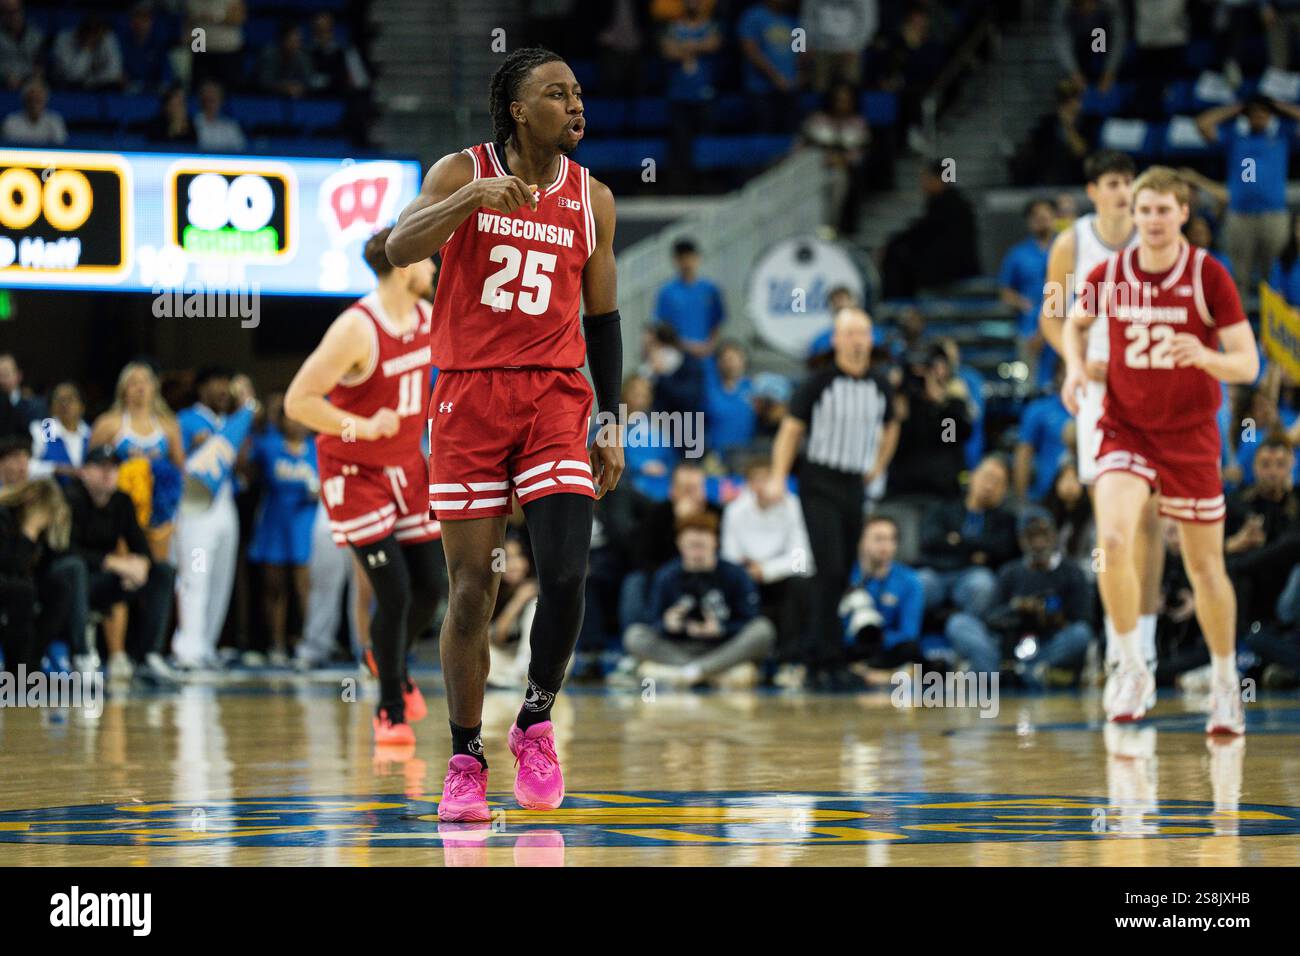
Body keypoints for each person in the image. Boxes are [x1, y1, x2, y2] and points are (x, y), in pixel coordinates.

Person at [385, 47, 624, 820]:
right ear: (519, 110)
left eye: (579, 93)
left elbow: (605, 321)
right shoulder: (462, 171)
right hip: (467, 396)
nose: (576, 105)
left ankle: (533, 721)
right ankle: (462, 755)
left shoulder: (595, 199)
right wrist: (472, 200)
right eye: (558, 94)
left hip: (556, 396)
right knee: (470, 590)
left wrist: (611, 417)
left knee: (564, 574)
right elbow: (399, 248)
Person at [1062, 165, 1260, 732]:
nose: (1150, 219)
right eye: (1142, 210)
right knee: (1114, 538)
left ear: (1183, 213)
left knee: (1204, 566)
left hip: (1191, 434)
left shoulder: (1207, 276)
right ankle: (1130, 666)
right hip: (1125, 425)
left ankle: (1226, 682)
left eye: (1162, 210)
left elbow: (1247, 363)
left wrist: (1204, 357)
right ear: (1132, 214)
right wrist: (1075, 370)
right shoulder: (1110, 272)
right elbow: (1074, 326)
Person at [285, 227, 441, 742]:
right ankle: (389, 710)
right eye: (425, 259)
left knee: (432, 588)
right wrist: (360, 425)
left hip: (406, 467)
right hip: (354, 474)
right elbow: (298, 401)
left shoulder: (426, 317)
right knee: (392, 593)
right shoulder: (357, 328)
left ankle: (385, 655)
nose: (434, 267)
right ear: (403, 266)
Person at [1039, 150, 1164, 698]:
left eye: (1127, 181)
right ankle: (1120, 647)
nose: (1122, 191)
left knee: (1152, 522)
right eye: (1113, 182)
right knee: (1111, 525)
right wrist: (1073, 361)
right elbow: (1051, 313)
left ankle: (1147, 645)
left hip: (1153, 386)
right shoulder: (1072, 243)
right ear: (1093, 191)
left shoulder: (1154, 237)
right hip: (1097, 390)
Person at [769, 307, 898, 689]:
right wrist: (778, 476)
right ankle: (822, 656)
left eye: (864, 333)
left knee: (842, 570)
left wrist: (877, 464)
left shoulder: (881, 384)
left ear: (871, 339)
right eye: (850, 333)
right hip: (818, 481)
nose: (858, 341)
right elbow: (791, 431)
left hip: (854, 484)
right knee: (830, 567)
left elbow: (892, 427)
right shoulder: (818, 383)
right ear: (837, 340)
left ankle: (823, 652)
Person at [64, 445, 177, 683]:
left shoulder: (122, 501)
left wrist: (141, 565)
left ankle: (149, 655)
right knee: (75, 568)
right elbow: (66, 550)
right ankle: (82, 656)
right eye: (100, 467)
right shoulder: (71, 498)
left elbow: (140, 545)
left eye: (113, 468)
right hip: (74, 581)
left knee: (163, 572)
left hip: (107, 581)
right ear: (85, 472)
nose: (108, 473)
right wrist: (113, 563)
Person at [623, 512, 775, 687]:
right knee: (634, 635)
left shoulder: (735, 574)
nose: (697, 552)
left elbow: (750, 619)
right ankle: (708, 672)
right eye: (692, 546)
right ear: (680, 544)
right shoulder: (667, 576)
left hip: (722, 647)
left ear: (715, 542)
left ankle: (692, 672)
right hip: (679, 648)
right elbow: (653, 622)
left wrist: (721, 629)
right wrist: (668, 624)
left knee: (763, 630)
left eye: (702, 545)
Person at [945, 508, 1093, 686]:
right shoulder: (1010, 571)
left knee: (1080, 634)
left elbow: (1083, 618)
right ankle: (999, 672)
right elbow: (991, 616)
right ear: (1021, 539)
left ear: (1054, 536)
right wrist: (1016, 608)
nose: (1038, 542)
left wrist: (1052, 615)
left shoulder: (1072, 572)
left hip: (1048, 643)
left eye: (1043, 534)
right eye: (1031, 536)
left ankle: (1029, 670)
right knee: (959, 623)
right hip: (1008, 644)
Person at [170, 368, 256, 671]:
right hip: (195, 506)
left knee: (221, 578)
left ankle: (206, 645)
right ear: (202, 388)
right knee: (196, 576)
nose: (223, 390)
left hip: (225, 506)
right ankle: (187, 648)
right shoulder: (186, 419)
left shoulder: (231, 423)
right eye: (217, 383)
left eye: (228, 385)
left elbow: (245, 467)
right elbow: (177, 460)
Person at [1195, 95, 1300, 295]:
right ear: (1246, 116)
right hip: (1239, 216)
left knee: (1275, 280)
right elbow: (1202, 124)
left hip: (1273, 216)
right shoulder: (1235, 138)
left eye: (1263, 112)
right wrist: (1237, 107)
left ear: (1271, 116)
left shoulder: (1281, 136)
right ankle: (1236, 323)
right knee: (1236, 279)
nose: (1259, 116)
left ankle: (1273, 325)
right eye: (1254, 113)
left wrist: (1279, 105)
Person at [721, 458, 813, 670]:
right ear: (748, 484)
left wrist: (766, 570)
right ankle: (743, 657)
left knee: (801, 584)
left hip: (781, 578)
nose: (762, 486)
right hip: (747, 577)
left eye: (767, 479)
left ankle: (789, 659)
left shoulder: (793, 506)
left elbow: (801, 559)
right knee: (731, 583)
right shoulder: (735, 510)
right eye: (756, 480)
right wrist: (750, 572)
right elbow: (730, 556)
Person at [89, 362, 186, 562]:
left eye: (145, 382)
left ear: (154, 388)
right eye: (133, 382)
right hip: (120, 509)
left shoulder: (168, 425)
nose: (140, 387)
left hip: (158, 512)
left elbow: (180, 468)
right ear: (123, 389)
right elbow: (91, 465)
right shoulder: (108, 423)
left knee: (158, 568)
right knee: (125, 573)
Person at [246, 406, 319, 667]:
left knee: (305, 588)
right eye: (291, 416)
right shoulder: (268, 446)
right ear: (281, 419)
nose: (297, 422)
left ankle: (308, 643)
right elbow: (246, 469)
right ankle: (275, 644)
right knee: (274, 587)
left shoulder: (319, 449)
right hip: (273, 523)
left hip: (306, 525)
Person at [915, 454, 1018, 616]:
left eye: (997, 482)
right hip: (937, 570)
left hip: (974, 575)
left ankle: (965, 630)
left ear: (1004, 490)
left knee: (982, 586)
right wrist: (974, 551)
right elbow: (930, 540)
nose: (989, 486)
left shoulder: (1006, 519)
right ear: (973, 477)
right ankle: (908, 638)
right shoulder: (944, 508)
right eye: (986, 477)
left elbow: (1001, 550)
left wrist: (956, 540)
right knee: (918, 583)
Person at [880, 159, 980, 298]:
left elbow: (923, 231)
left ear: (938, 179)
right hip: (948, 261)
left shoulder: (949, 203)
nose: (923, 184)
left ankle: (898, 306)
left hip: (953, 266)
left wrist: (894, 242)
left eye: (927, 179)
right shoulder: (948, 200)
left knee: (897, 258)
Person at [0, 478, 71, 671]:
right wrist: (29, 533)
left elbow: (44, 567)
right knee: (23, 591)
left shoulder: (40, 527)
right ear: (32, 501)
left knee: (58, 589)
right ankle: (17, 670)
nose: (47, 519)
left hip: (17, 584)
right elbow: (10, 566)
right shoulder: (4, 515)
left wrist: (52, 534)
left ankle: (32, 665)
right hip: (7, 580)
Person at [840, 514, 923, 672]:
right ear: (862, 541)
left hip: (888, 648)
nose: (885, 545)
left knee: (910, 648)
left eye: (891, 539)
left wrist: (879, 638)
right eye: (878, 539)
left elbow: (909, 632)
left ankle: (872, 670)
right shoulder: (847, 577)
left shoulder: (910, 580)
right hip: (853, 645)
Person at [999, 199, 1058, 384]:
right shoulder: (1018, 254)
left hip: (1063, 323)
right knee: (1029, 383)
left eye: (1045, 215)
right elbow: (1005, 291)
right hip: (1029, 326)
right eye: (1036, 217)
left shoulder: (1065, 249)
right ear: (1029, 222)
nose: (1042, 220)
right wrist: (1022, 304)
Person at [654, 239, 726, 358]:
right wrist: (685, 346)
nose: (687, 263)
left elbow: (717, 323)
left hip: (706, 359)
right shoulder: (667, 292)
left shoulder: (710, 289)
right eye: (682, 258)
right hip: (677, 357)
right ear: (675, 260)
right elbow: (662, 326)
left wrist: (708, 347)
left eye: (690, 257)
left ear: (698, 258)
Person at [737, 0, 802, 133]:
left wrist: (800, 76)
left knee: (790, 134)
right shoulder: (752, 16)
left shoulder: (793, 20)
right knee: (764, 131)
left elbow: (801, 52)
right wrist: (776, 77)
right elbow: (751, 51)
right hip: (761, 89)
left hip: (789, 89)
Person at [486, 534, 540, 689]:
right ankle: (518, 678)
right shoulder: (491, 593)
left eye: (519, 557)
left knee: (535, 604)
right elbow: (496, 638)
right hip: (509, 659)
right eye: (506, 558)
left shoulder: (539, 587)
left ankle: (524, 676)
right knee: (483, 657)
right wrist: (517, 602)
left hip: (538, 662)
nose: (513, 564)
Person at [1014, 366, 1071, 502]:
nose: (1068, 376)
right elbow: (1024, 453)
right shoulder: (1038, 410)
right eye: (1064, 372)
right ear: (1056, 376)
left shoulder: (1096, 409)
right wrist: (1021, 498)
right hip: (1046, 493)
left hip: (1086, 493)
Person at [29, 382, 90, 481]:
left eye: (70, 399)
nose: (64, 404)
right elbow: (27, 466)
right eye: (59, 400)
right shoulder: (43, 430)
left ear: (82, 407)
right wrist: (55, 469)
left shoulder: (90, 433)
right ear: (51, 407)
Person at [51, 16, 123, 90]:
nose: (98, 37)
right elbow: (72, 76)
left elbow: (114, 72)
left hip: (96, 84)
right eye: (93, 32)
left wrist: (90, 80)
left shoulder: (107, 36)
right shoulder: (63, 39)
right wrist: (87, 49)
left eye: (100, 32)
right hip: (64, 86)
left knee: (114, 86)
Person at [2, 77, 66, 146]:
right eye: (31, 99)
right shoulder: (11, 121)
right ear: (24, 100)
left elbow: (61, 146)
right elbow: (7, 148)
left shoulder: (55, 121)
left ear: (45, 100)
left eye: (38, 100)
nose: (34, 104)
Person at [193, 80, 246, 153]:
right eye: (207, 99)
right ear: (201, 100)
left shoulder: (231, 127)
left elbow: (241, 152)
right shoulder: (192, 124)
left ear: (221, 100)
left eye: (213, 99)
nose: (210, 104)